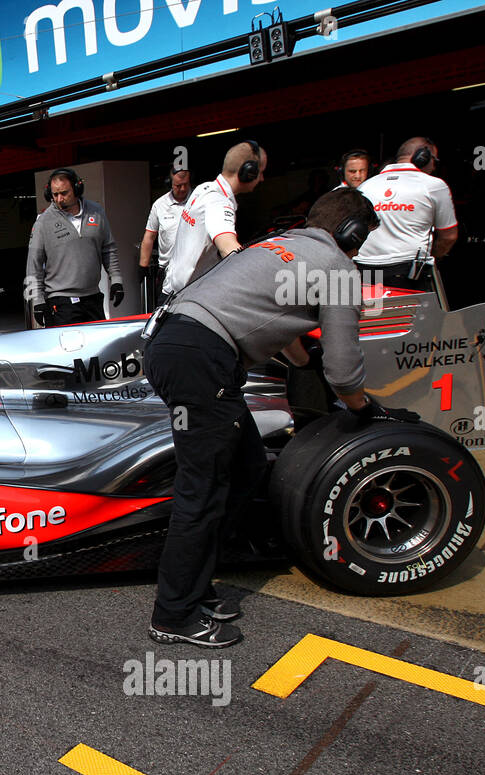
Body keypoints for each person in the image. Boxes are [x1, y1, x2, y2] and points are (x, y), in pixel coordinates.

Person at [142, 188, 416, 648]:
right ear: (351, 233)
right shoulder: (337, 268)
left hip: (175, 343)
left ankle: (196, 587)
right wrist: (364, 409)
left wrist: (303, 361)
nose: (359, 248)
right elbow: (344, 369)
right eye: (362, 238)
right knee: (204, 489)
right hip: (201, 358)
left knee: (246, 463)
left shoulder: (275, 244)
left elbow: (279, 324)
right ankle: (174, 614)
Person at [161, 140, 268, 300]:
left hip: (173, 293)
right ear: (248, 172)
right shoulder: (219, 201)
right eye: (260, 172)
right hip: (186, 302)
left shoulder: (204, 189)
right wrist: (262, 281)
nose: (262, 179)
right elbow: (228, 249)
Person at [354, 137, 458, 286]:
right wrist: (432, 256)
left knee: (375, 309)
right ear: (423, 156)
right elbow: (449, 236)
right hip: (409, 274)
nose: (434, 167)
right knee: (409, 310)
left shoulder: (365, 186)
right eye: (434, 160)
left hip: (364, 272)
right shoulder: (433, 185)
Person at [27, 168, 125, 326]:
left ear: (77, 188)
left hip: (93, 298)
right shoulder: (43, 222)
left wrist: (116, 280)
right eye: (55, 194)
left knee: (97, 349)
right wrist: (37, 301)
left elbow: (108, 248)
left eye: (64, 193)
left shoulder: (96, 212)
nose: (59, 199)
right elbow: (33, 265)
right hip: (61, 302)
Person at [138, 169, 192, 305]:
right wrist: (143, 266)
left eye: (186, 184)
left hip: (194, 270)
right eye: (178, 185)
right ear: (170, 184)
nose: (183, 189)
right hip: (168, 271)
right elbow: (149, 236)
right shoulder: (159, 205)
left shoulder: (198, 201)